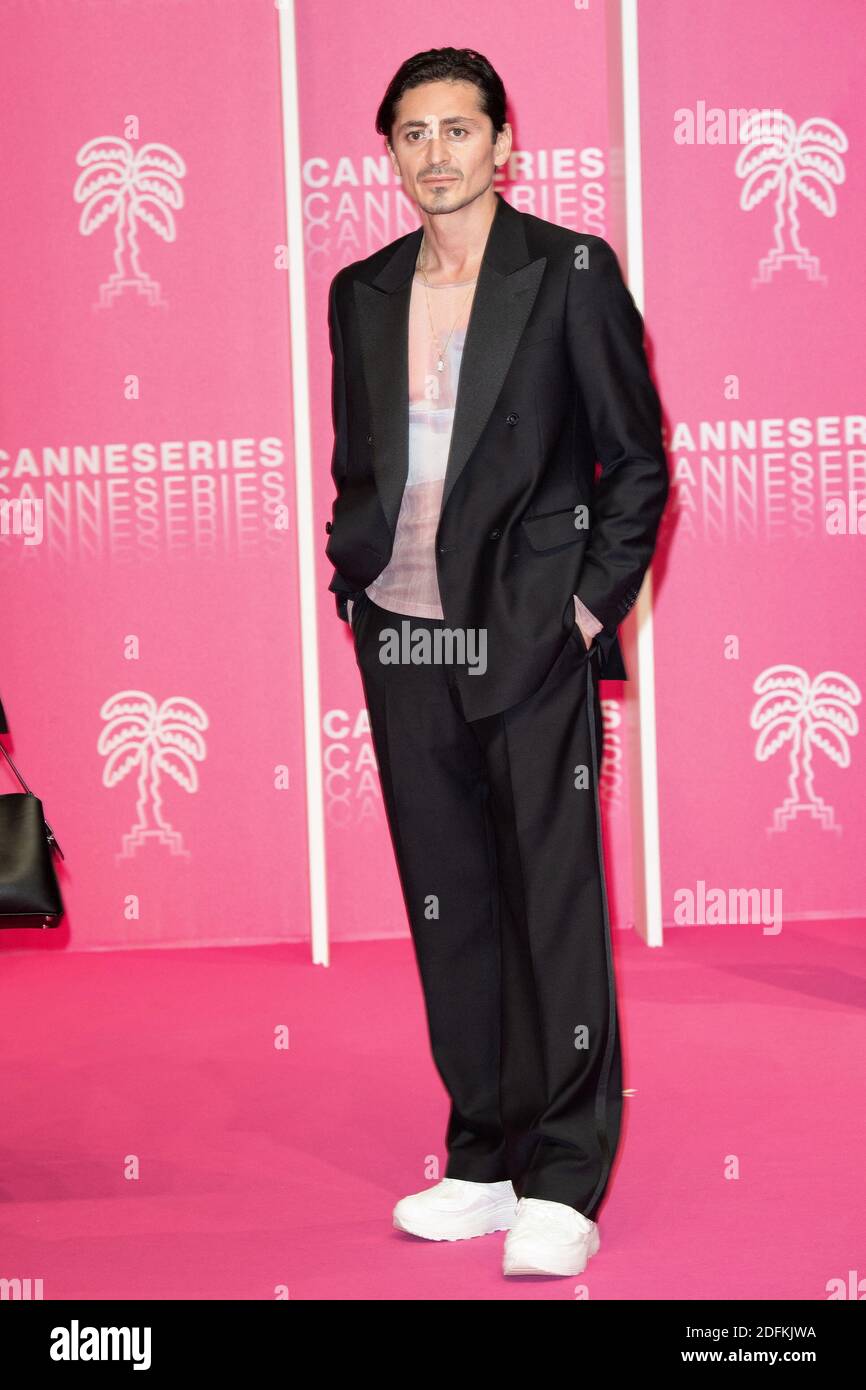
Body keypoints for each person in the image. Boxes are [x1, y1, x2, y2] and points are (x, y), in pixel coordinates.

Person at [324, 47, 669, 1277]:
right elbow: (358, 465)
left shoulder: (567, 272)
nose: (434, 154)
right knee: (450, 906)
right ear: (390, 153)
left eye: (456, 129)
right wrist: (351, 583)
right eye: (410, 133)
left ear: (502, 142)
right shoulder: (358, 289)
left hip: (527, 635)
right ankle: (483, 1153)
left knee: (551, 903)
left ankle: (564, 1176)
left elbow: (635, 462)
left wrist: (581, 614)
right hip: (404, 638)